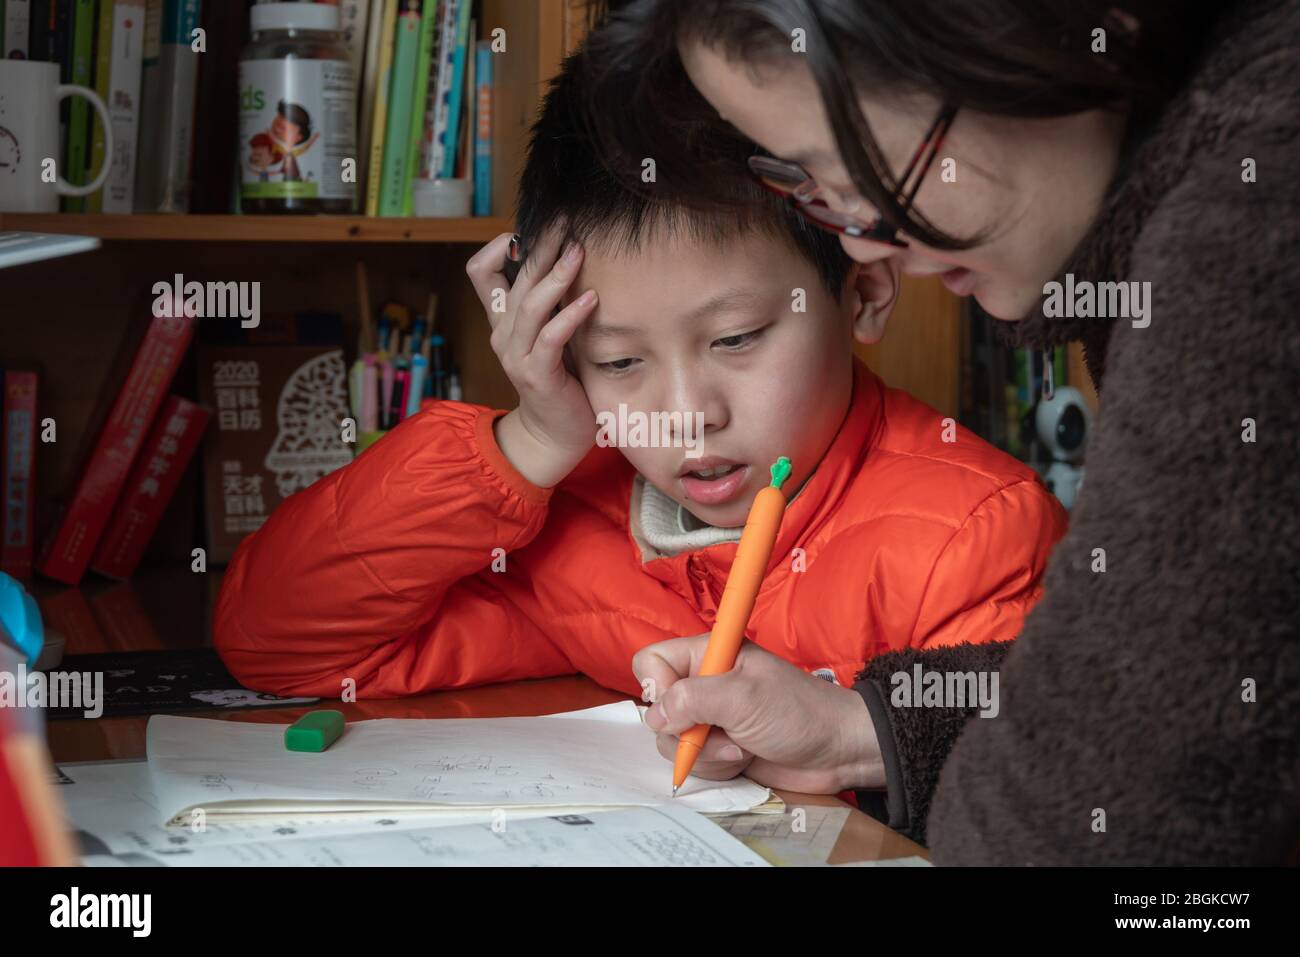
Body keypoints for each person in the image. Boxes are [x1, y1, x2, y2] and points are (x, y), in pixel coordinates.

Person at [213, 53, 1065, 798]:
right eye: (619, 361)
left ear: (865, 293)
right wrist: (529, 446)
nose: (687, 414)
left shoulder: (975, 535)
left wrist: (855, 731)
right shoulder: (571, 519)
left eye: (736, 338)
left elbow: (1054, 775)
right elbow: (275, 643)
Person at [580, 0, 1299, 863]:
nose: (864, 242)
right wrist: (859, 728)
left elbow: (1115, 798)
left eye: (875, 168)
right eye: (809, 183)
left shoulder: (1254, 213)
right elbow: (1161, 682)